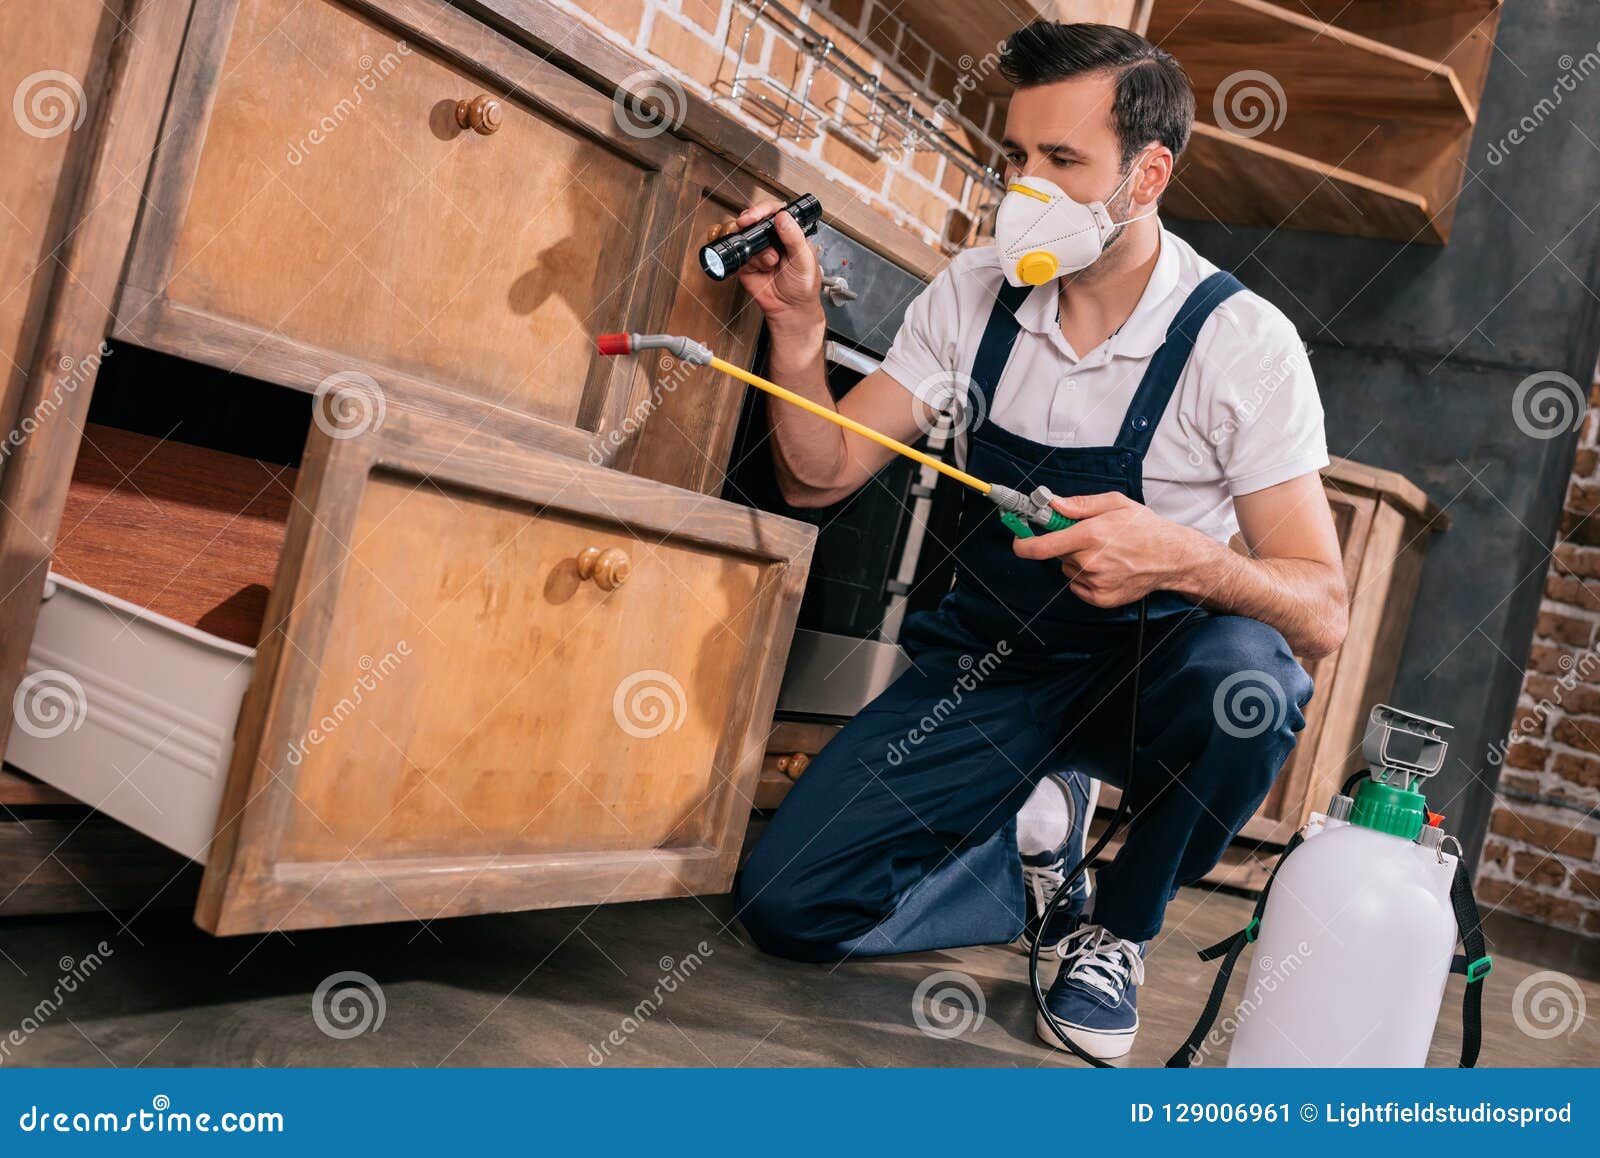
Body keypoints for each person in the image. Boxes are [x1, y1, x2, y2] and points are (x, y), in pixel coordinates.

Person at [732, 20, 1347, 1061]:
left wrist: (1185, 556)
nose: (1027, 188)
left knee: (1254, 686)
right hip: (994, 665)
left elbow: (1322, 610)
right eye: (1016, 156)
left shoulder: (1240, 343)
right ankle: (1017, 867)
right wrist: (795, 331)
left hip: (1152, 674)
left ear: (1147, 175)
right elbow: (819, 473)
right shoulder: (974, 293)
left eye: (1062, 160)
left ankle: (1116, 930)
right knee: (787, 905)